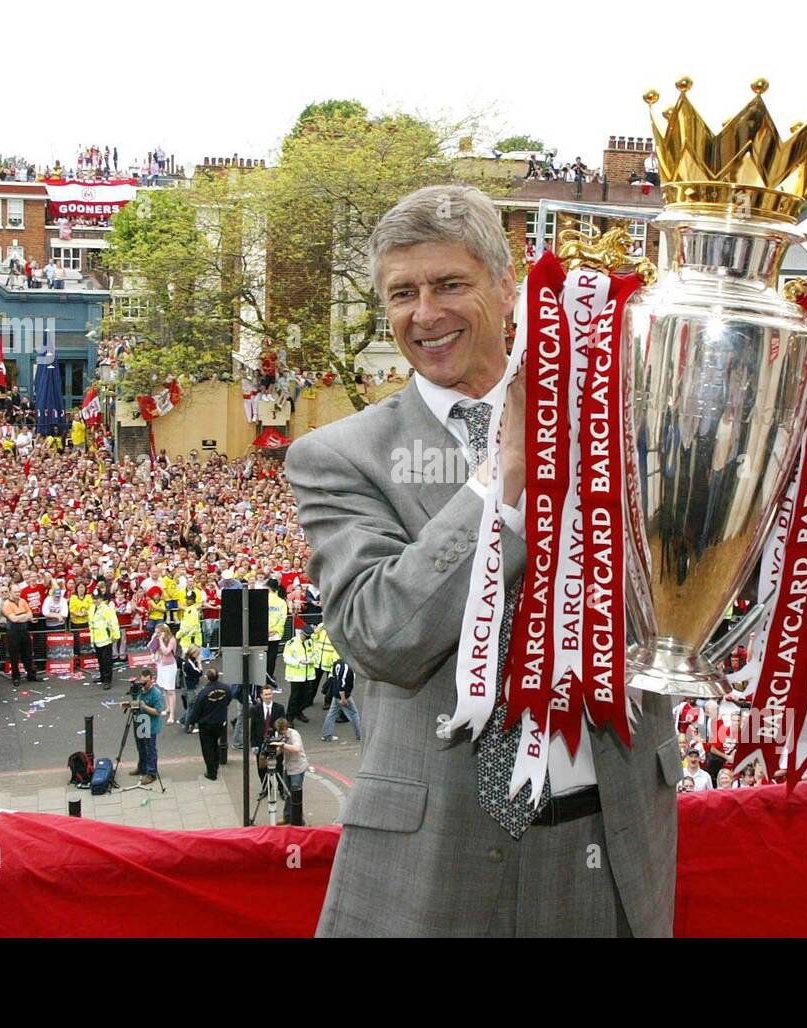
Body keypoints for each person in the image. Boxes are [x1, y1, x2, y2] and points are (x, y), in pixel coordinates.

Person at [287, 184, 680, 937]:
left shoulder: (616, 420)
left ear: (508, 287)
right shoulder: (339, 457)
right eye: (402, 293)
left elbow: (679, 593)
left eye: (449, 284)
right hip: (436, 856)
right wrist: (500, 482)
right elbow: (381, 635)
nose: (424, 314)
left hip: (612, 835)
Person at [121, 669, 163, 785]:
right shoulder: (139, 690)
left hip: (151, 725)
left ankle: (151, 773)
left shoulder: (156, 694)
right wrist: (128, 705)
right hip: (139, 721)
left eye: (147, 681)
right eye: (142, 681)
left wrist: (144, 707)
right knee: (141, 746)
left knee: (150, 748)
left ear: (152, 679)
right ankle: (142, 767)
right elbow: (136, 703)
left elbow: (158, 712)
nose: (144, 684)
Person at [188, 667, 229, 779]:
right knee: (216, 745)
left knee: (207, 748)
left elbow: (197, 710)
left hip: (206, 724)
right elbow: (228, 699)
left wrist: (191, 723)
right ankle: (215, 765)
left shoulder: (203, 693)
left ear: (207, 678)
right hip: (220, 722)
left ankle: (211, 772)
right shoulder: (225, 688)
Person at [248, 683, 285, 788]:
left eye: (270, 694)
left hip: (275, 742)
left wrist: (281, 742)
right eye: (266, 694)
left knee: (279, 767)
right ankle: (266, 787)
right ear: (261, 696)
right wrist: (253, 744)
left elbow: (282, 726)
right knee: (261, 768)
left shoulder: (279, 708)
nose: (268, 696)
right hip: (261, 743)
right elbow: (253, 728)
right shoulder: (255, 710)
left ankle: (281, 788)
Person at [275, 716, 308, 826]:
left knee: (296, 794)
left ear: (286, 727)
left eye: (283, 731)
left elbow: (296, 748)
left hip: (297, 768)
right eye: (280, 732)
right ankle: (288, 816)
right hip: (288, 767)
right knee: (287, 793)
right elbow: (279, 751)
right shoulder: (280, 735)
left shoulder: (294, 734)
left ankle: (298, 819)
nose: (282, 734)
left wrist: (283, 744)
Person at [320, 657, 362, 743]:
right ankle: (360, 735)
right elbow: (342, 684)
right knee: (354, 714)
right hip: (342, 694)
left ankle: (326, 734)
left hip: (336, 693)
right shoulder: (346, 667)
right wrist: (343, 698)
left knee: (332, 713)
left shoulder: (338, 662)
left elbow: (336, 677)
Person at [1, 589, 36, 683]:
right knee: (14, 656)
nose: (18, 593)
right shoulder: (6, 604)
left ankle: (31, 675)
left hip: (24, 630)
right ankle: (16, 677)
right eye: (16, 592)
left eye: (18, 592)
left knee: (28, 654)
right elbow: (13, 619)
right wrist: (25, 616)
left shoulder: (23, 601)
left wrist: (20, 616)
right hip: (13, 632)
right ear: (10, 593)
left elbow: (30, 614)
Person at [89, 588, 120, 690]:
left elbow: (113, 622)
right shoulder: (92, 608)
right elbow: (91, 624)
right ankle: (102, 676)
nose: (95, 600)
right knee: (100, 660)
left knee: (106, 661)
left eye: (97, 598)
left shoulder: (106, 609)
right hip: (97, 639)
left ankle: (107, 680)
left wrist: (115, 636)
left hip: (105, 639)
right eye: (94, 598)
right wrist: (92, 639)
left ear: (101, 599)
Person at [283, 627, 316, 723]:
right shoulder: (292, 643)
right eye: (305, 636)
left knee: (306, 696)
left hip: (307, 675)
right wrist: (299, 662)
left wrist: (311, 661)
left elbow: (315, 654)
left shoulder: (310, 642)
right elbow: (286, 658)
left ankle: (298, 712)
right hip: (295, 675)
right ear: (301, 633)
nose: (307, 638)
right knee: (294, 697)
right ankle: (289, 718)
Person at [152, 622, 178, 721]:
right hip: (161, 665)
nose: (157, 635)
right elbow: (152, 648)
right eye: (156, 633)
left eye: (158, 633)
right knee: (164, 689)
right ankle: (167, 708)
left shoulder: (171, 639)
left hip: (170, 666)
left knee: (170, 690)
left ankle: (172, 715)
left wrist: (161, 641)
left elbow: (166, 652)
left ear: (164, 632)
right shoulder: (158, 639)